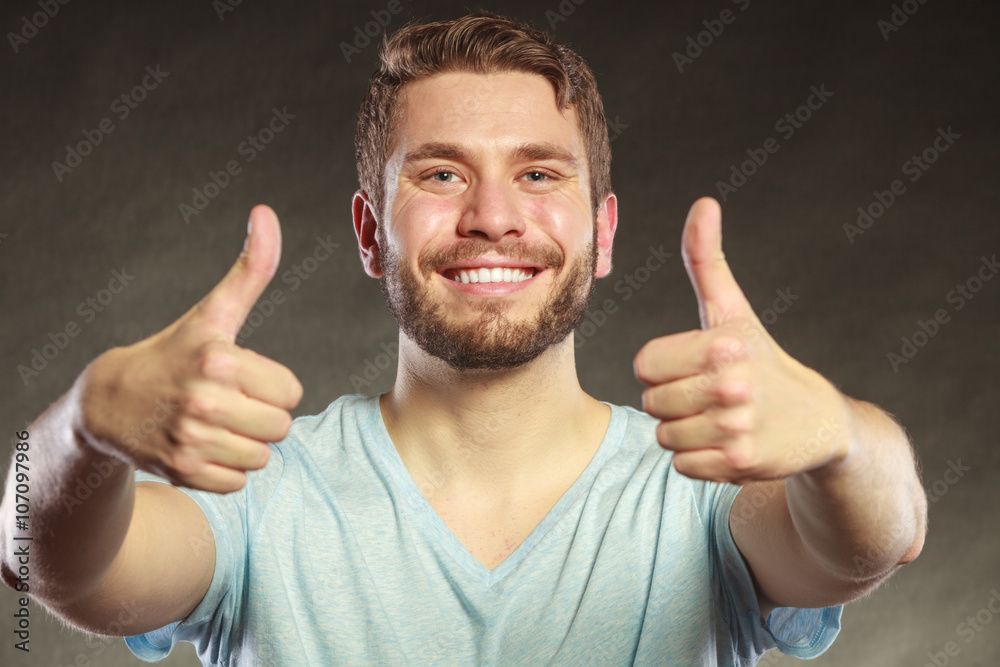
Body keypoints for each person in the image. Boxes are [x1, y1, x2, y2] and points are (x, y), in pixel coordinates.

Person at [1, 12, 926, 666]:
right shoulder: (261, 494)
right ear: (371, 234)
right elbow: (31, 552)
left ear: (603, 233)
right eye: (441, 174)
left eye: (537, 172)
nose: (493, 217)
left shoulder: (701, 492)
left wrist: (845, 436)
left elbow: (881, 533)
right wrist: (81, 425)